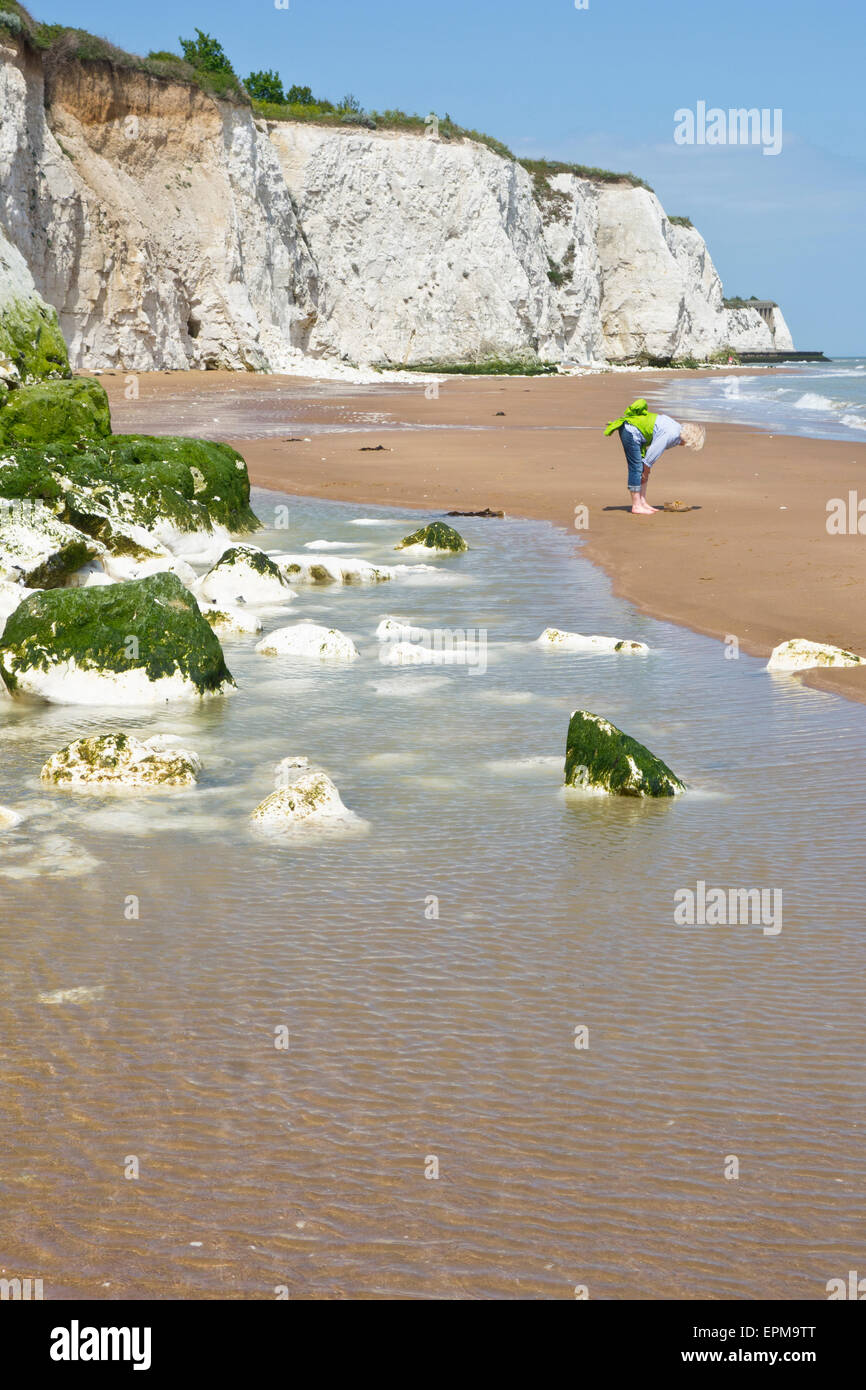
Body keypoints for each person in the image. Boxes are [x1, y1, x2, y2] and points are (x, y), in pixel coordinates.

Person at [604, 398, 705, 514]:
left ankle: (642, 502)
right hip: (631, 430)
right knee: (637, 468)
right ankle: (636, 505)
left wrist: (646, 469)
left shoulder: (677, 430)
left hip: (636, 431)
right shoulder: (672, 434)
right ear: (689, 438)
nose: (686, 446)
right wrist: (646, 469)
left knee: (643, 469)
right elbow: (652, 454)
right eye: (690, 444)